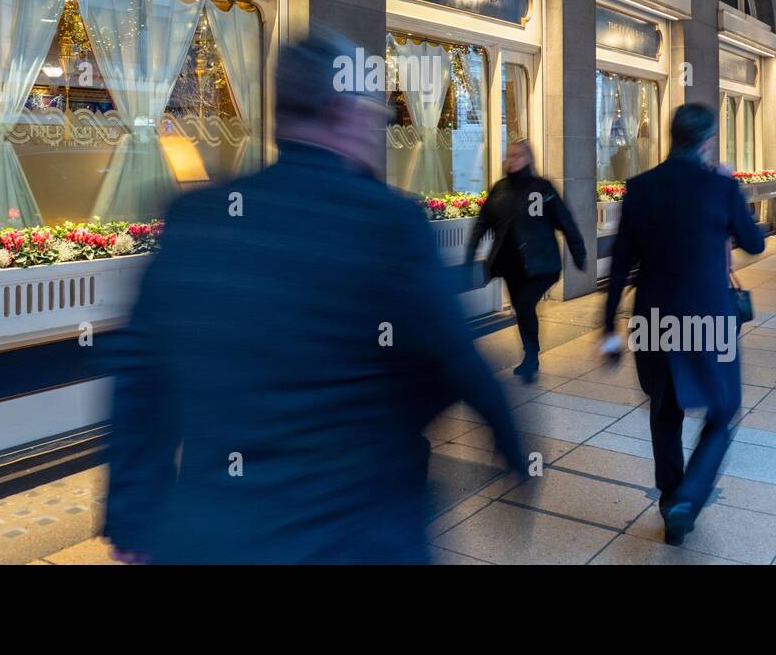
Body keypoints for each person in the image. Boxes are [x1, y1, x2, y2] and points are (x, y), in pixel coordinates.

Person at [103, 32, 523, 565]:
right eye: (371, 110)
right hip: (356, 534)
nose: (377, 125)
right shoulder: (387, 222)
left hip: (215, 535)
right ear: (341, 111)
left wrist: (133, 517)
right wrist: (510, 445)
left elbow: (141, 376)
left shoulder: (198, 217)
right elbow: (455, 360)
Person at [601, 104, 765, 546]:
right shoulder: (720, 188)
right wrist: (731, 195)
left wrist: (608, 326)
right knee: (724, 408)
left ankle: (671, 494)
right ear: (708, 140)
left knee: (665, 409)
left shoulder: (639, 188)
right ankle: (688, 498)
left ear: (670, 136)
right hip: (709, 319)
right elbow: (753, 241)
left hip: (652, 317)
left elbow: (619, 264)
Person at [466, 139, 587, 382]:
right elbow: (482, 223)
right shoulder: (499, 189)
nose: (512, 160)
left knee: (524, 305)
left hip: (541, 264)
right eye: (509, 155)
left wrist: (578, 251)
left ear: (529, 158)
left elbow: (565, 220)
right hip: (511, 265)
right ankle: (530, 355)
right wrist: (471, 252)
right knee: (522, 310)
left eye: (518, 155)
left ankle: (532, 355)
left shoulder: (542, 188)